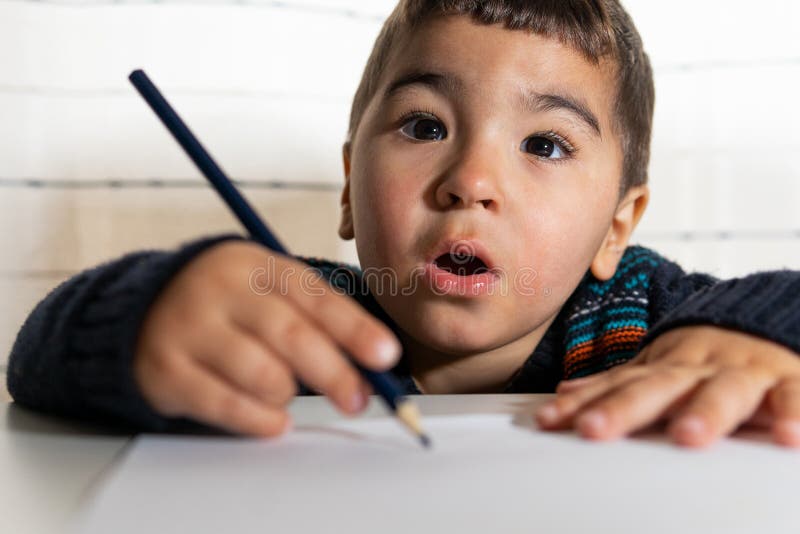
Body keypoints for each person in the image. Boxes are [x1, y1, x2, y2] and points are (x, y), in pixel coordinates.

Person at [7, 0, 800, 448]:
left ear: (615, 229)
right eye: (425, 127)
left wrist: (756, 335)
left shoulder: (644, 318)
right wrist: (149, 319)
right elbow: (39, 360)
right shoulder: (300, 319)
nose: (472, 183)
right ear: (350, 189)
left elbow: (777, 305)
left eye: (545, 144)